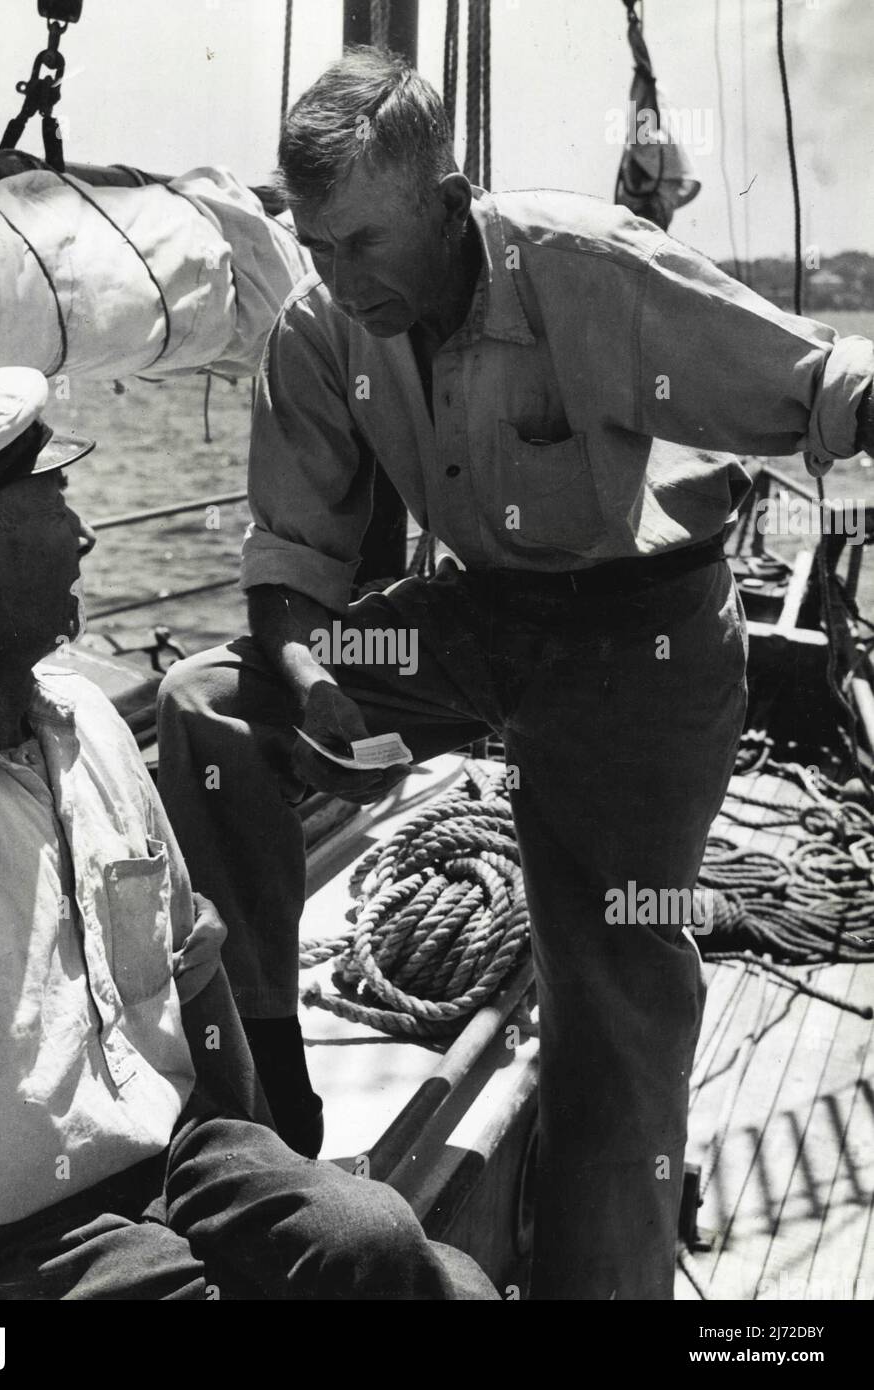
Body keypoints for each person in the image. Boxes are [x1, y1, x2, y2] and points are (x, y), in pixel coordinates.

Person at [157, 49, 874, 1299]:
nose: (337, 278)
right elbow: (292, 556)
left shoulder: (589, 271)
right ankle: (272, 1091)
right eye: (315, 246)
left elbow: (816, 387)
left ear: (447, 191)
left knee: (611, 989)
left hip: (639, 641)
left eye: (361, 244)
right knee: (208, 709)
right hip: (478, 616)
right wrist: (309, 672)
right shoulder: (329, 327)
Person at [0, 367, 497, 1301]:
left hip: (178, 1151)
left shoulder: (87, 719)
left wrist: (277, 1156)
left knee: (379, 1238)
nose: (85, 536)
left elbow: (189, 959)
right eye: (56, 504)